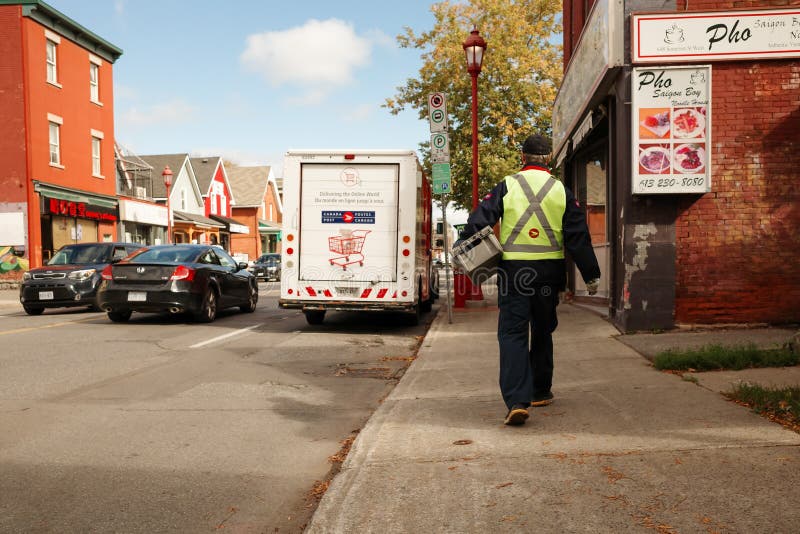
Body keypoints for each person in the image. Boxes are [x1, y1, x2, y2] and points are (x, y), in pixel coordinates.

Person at [459, 133, 600, 426]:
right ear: (548, 159)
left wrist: (463, 246)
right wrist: (591, 274)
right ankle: (540, 390)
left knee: (512, 333)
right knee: (543, 330)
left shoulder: (508, 186)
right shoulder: (561, 190)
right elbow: (578, 235)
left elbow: (478, 221)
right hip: (549, 272)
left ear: (523, 157)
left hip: (515, 273)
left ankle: (517, 401)